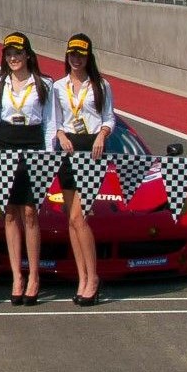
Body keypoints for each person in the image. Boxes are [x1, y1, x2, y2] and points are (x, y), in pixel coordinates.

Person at [49, 33, 115, 307]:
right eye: (73, 55)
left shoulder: (101, 85)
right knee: (72, 220)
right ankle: (83, 277)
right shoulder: (58, 87)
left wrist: (102, 135)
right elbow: (54, 120)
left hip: (93, 149)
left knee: (81, 218)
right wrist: (61, 135)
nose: (77, 59)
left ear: (89, 57)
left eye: (82, 55)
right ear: (67, 56)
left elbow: (109, 116)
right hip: (68, 149)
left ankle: (93, 278)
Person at [0, 32, 50, 307]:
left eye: (18, 53)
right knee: (11, 212)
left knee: (30, 212)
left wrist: (48, 156)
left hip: (33, 144)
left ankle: (34, 276)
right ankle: (17, 276)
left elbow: (50, 123)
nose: (13, 58)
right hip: (5, 145)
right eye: (9, 54)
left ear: (28, 54)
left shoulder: (43, 84)